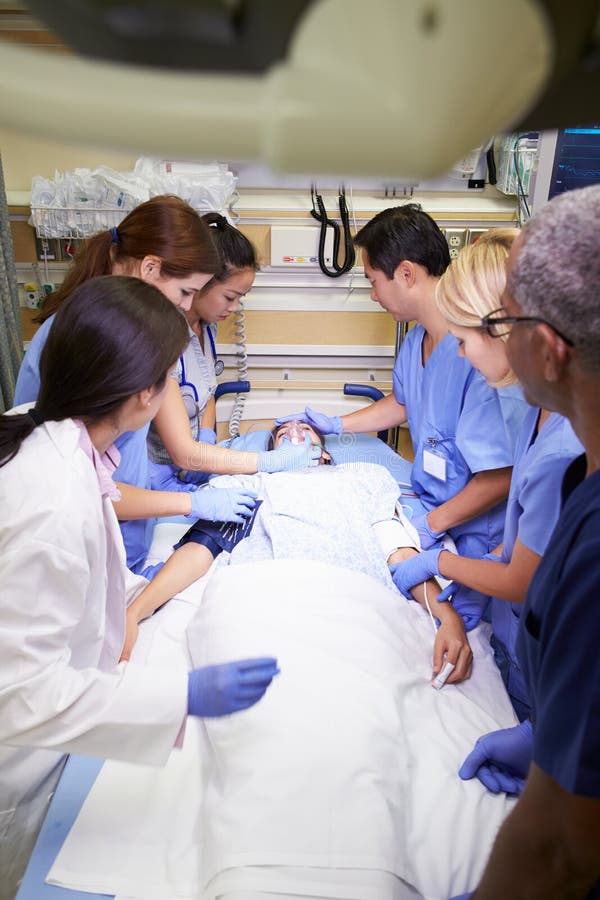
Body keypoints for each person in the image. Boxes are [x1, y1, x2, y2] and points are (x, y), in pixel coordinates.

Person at [0, 275, 279, 900]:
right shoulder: (52, 504)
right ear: (140, 396)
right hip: (14, 770)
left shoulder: (45, 432)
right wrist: (175, 699)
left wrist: (141, 589)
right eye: (170, 382)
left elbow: (73, 571)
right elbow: (19, 693)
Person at [14, 195, 320, 577]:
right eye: (185, 293)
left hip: (119, 535)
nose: (186, 306)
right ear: (149, 267)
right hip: (89, 546)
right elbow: (88, 488)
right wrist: (196, 498)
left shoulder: (124, 330)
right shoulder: (95, 340)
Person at [448, 185, 600, 900]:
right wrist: (554, 741)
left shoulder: (585, 517)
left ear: (546, 349)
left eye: (503, 323)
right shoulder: (581, 475)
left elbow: (561, 850)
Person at [279, 204, 526, 629]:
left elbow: (501, 473)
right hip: (426, 507)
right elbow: (403, 403)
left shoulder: (482, 353)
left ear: (407, 273)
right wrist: (337, 425)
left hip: (469, 533)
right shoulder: (417, 343)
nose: (373, 295)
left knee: (439, 626)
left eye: (374, 281)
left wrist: (430, 526)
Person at [389, 228, 582, 721]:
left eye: (463, 340)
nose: (460, 354)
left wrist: (440, 563)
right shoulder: (535, 413)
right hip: (513, 615)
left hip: (547, 634)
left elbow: (524, 578)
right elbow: (525, 535)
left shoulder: (565, 443)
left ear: (504, 329)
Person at [121, 418, 473, 684]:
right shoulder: (250, 482)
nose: (292, 433)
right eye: (282, 433)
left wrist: (448, 617)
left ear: (325, 450)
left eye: (303, 428)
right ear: (270, 453)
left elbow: (398, 554)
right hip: (263, 598)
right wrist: (135, 611)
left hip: (351, 602)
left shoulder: (363, 477)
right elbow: (203, 546)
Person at [146, 211, 259, 487]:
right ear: (202, 282)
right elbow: (182, 451)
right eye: (229, 297)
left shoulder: (208, 327)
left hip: (196, 462)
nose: (233, 309)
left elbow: (207, 392)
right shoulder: (160, 336)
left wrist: (208, 434)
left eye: (240, 299)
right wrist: (266, 461)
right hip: (161, 471)